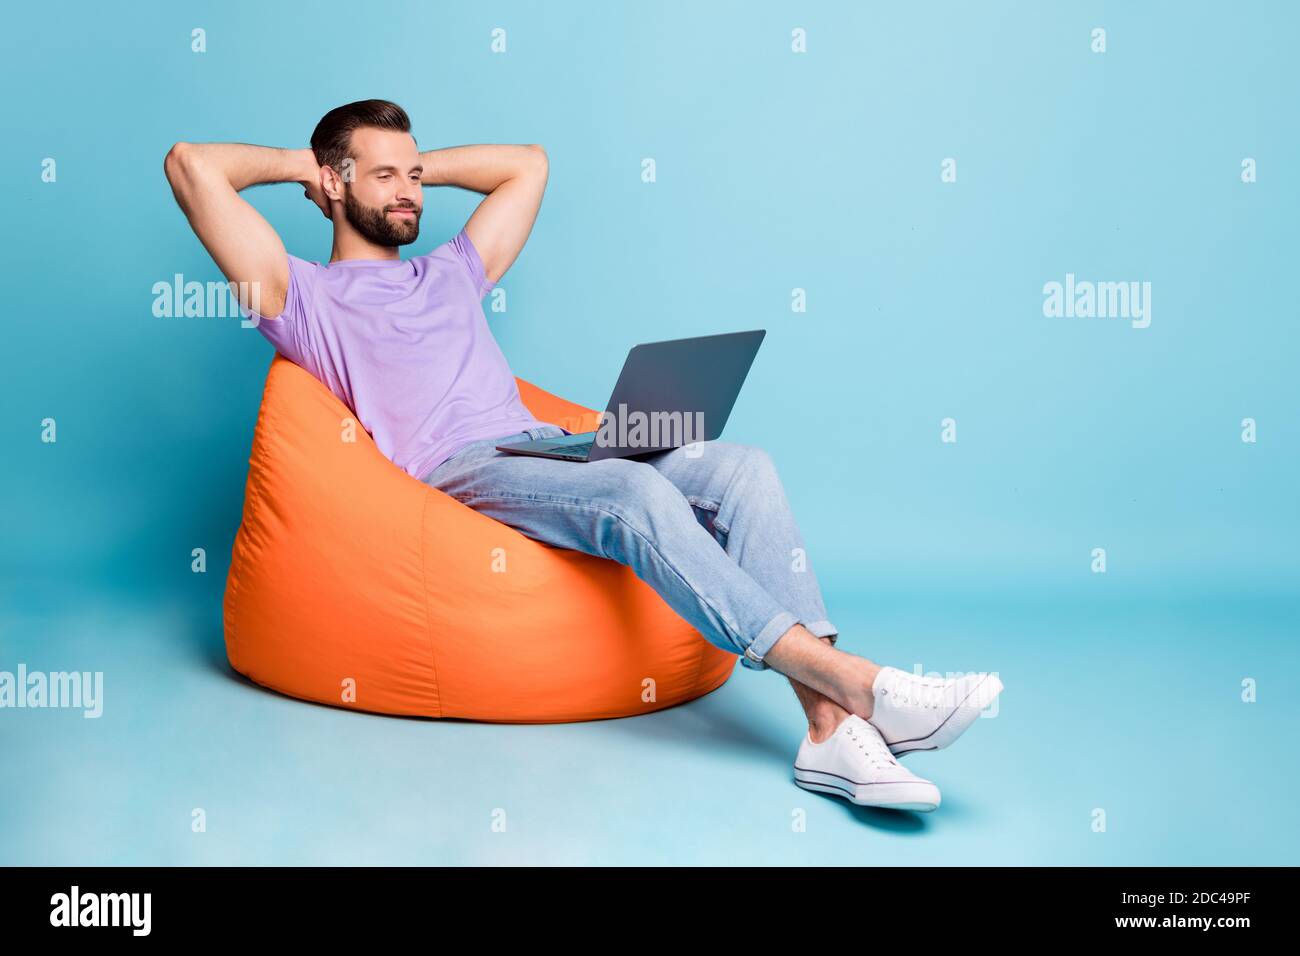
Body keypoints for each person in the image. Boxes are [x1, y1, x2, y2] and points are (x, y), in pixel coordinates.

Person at [164, 98, 1002, 813]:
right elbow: (189, 164)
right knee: (631, 498)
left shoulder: (450, 272)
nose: (411, 191)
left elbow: (528, 164)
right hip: (459, 471)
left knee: (742, 465)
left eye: (414, 175)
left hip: (545, 446)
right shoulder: (299, 294)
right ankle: (859, 686)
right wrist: (308, 164)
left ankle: (827, 733)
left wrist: (410, 162)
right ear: (335, 184)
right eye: (385, 177)